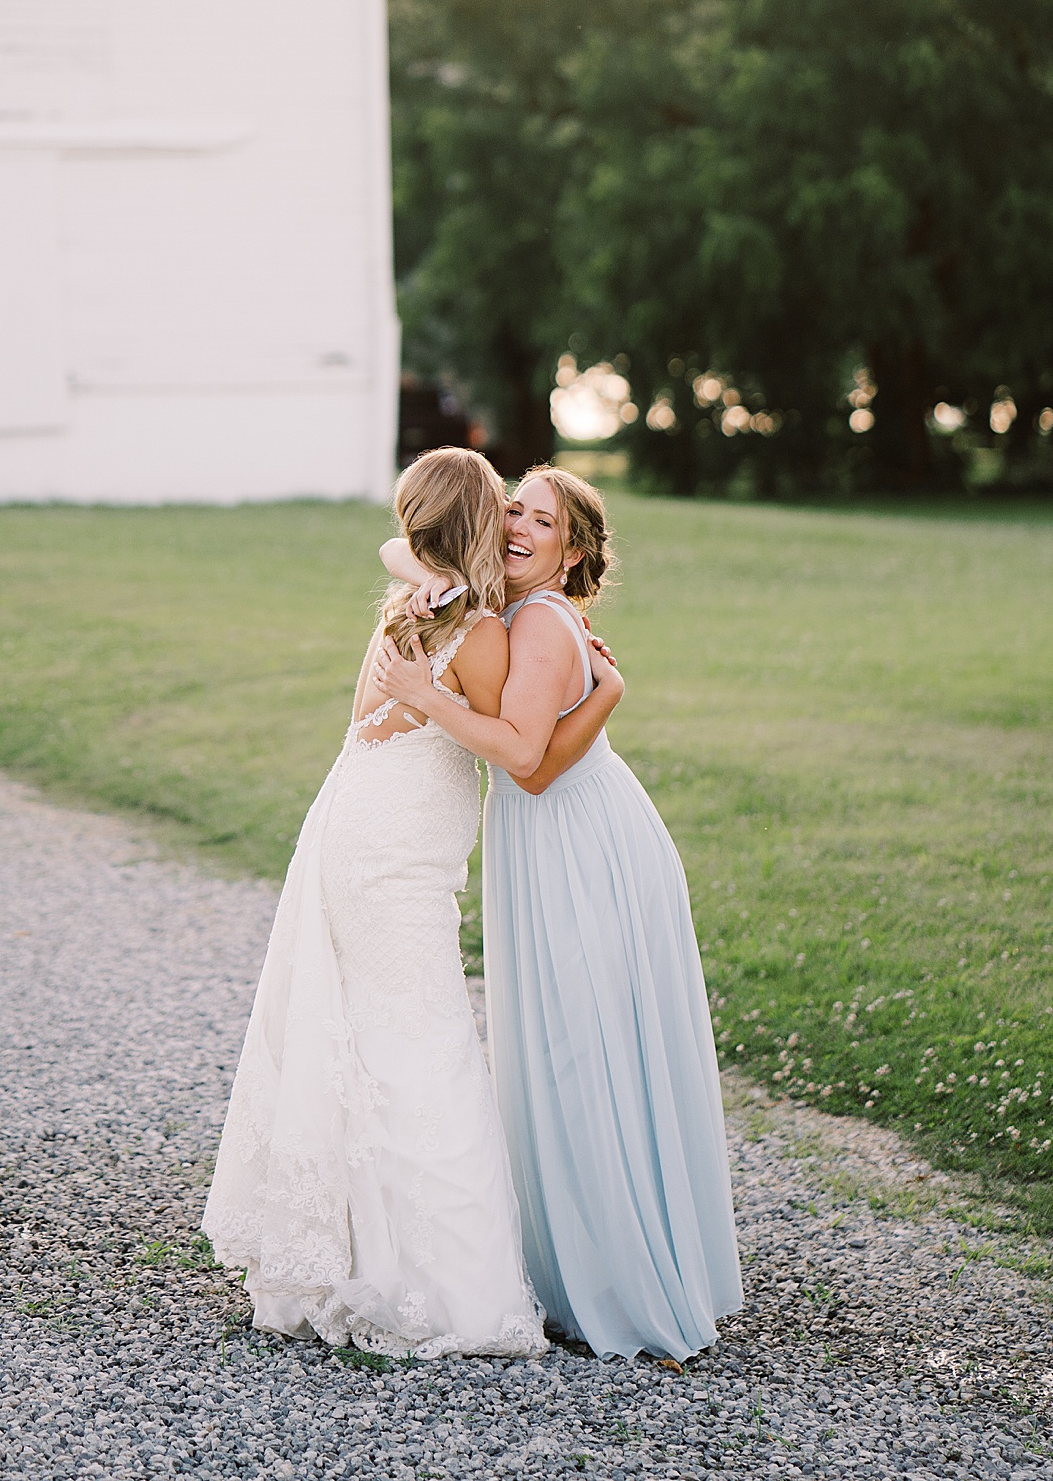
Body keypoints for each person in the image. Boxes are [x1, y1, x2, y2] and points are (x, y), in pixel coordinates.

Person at [202, 446, 622, 1358]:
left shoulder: (414, 603)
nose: (515, 523)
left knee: (369, 1032)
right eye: (503, 510)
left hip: (356, 824)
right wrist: (606, 690)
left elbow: (403, 561)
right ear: (477, 525)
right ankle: (453, 1292)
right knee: (425, 1039)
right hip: (393, 852)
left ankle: (358, 1254)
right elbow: (522, 751)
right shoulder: (478, 630)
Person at [372, 465, 742, 1361]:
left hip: (579, 843)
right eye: (512, 511)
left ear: (573, 551)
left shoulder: (538, 620)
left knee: (585, 1056)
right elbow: (403, 547)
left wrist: (425, 698)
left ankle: (632, 1295)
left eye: (544, 520)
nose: (520, 526)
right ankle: (579, 1271)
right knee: (557, 1054)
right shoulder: (506, 600)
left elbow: (529, 764)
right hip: (550, 842)